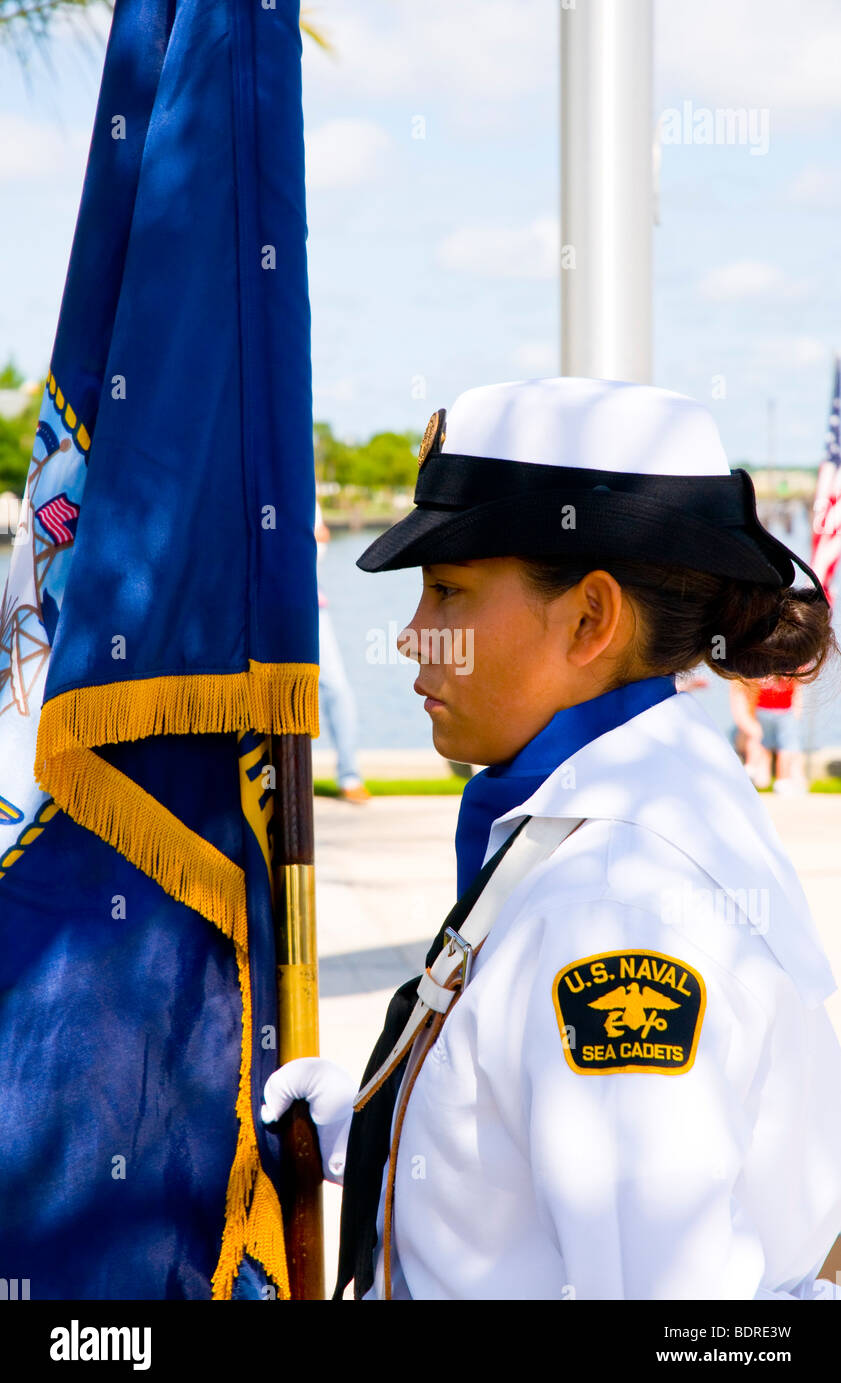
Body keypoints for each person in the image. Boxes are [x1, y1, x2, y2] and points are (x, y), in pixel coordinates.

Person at [264, 378, 841, 1300]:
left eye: (447, 592)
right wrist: (376, 1126)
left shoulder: (611, 911)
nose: (414, 639)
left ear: (589, 619)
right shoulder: (640, 803)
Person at [314, 500, 370, 804]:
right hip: (264, 600)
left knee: (336, 688)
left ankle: (349, 776)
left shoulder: (302, 483)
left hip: (311, 602)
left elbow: (318, 540)